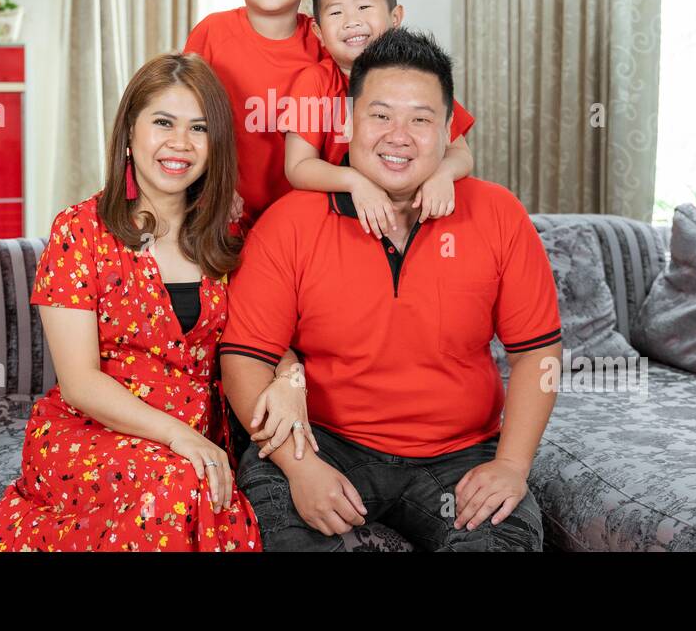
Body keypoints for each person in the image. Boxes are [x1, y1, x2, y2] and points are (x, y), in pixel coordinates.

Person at [220, 28, 562, 551]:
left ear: (449, 129)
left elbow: (538, 354)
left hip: (460, 455)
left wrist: (512, 466)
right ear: (348, 121)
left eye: (420, 119)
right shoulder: (289, 222)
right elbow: (245, 359)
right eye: (380, 115)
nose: (398, 135)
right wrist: (300, 466)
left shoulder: (498, 215)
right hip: (324, 442)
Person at [0, 53, 306, 551]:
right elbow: (80, 382)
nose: (180, 143)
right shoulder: (79, 230)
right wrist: (181, 438)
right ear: (130, 134)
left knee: (192, 483)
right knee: (179, 485)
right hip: (92, 437)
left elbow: (258, 339)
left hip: (196, 443)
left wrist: (291, 379)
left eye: (198, 128)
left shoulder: (232, 236)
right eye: (163, 122)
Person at [282, 0, 476, 237]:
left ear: (395, 16)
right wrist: (355, 182)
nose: (351, 21)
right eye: (336, 12)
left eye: (363, 7)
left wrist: (443, 173)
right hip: (340, 218)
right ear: (318, 32)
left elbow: (461, 154)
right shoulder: (313, 83)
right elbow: (298, 167)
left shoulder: (417, 78)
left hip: (410, 215)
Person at [182, 0, 323, 230]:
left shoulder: (324, 38)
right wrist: (209, 184)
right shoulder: (213, 32)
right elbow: (183, 115)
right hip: (224, 210)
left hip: (305, 218)